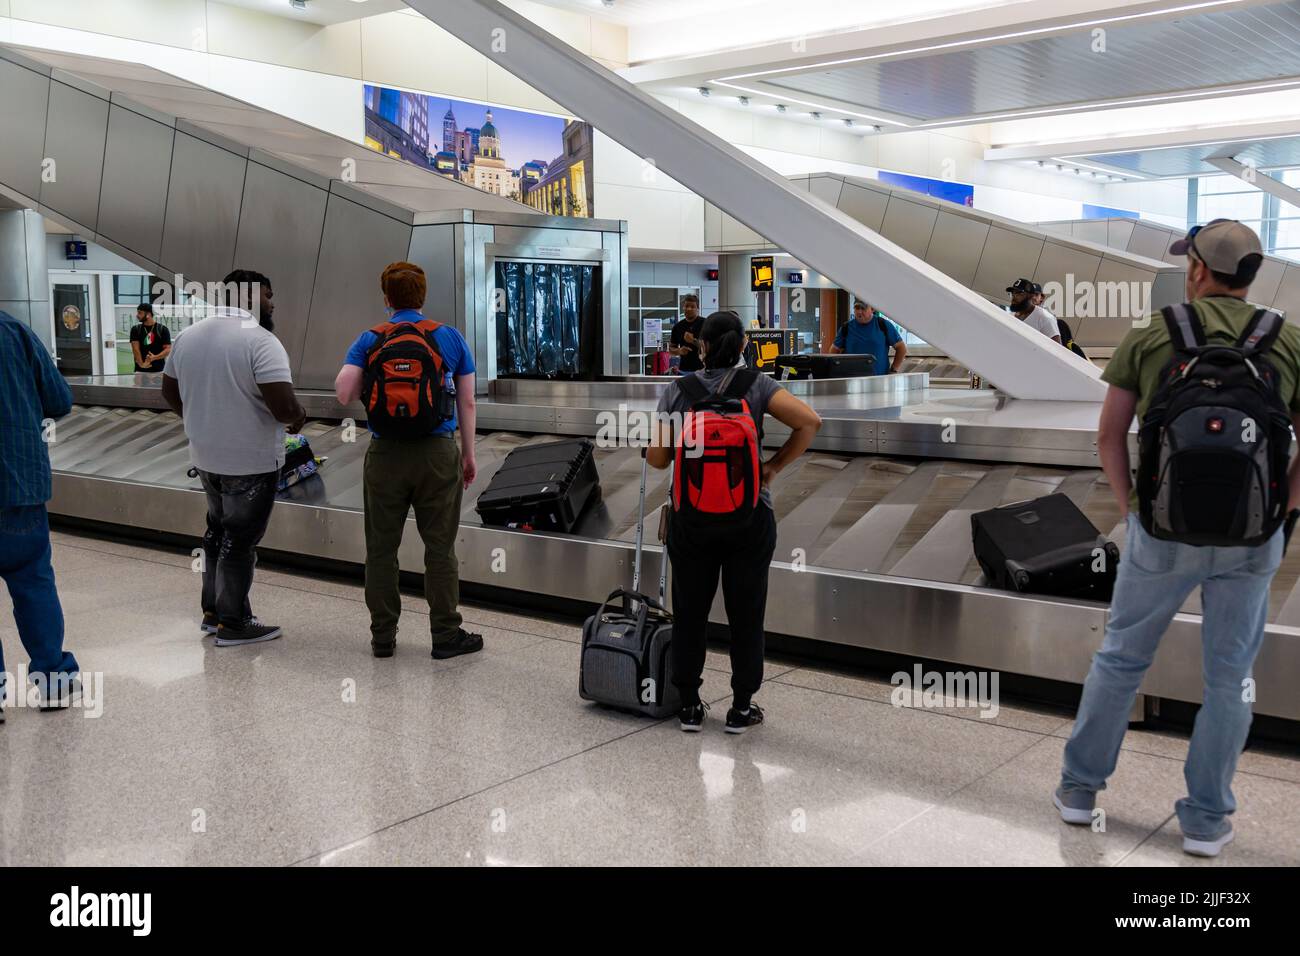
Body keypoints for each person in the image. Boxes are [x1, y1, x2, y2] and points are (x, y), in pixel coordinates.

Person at [1055, 219, 1300, 858]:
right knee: (1230, 678)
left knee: (1121, 658)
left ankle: (1080, 792)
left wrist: (1135, 508)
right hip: (1252, 537)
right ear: (1252, 274)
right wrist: (1279, 511)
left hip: (1159, 531)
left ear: (1195, 268)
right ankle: (1206, 822)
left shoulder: (1153, 333)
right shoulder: (1288, 340)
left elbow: (1109, 437)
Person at [648, 310, 821, 733]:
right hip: (749, 518)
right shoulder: (757, 386)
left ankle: (689, 705)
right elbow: (810, 422)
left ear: (701, 346)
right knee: (747, 612)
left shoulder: (679, 391)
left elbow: (656, 460)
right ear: (743, 346)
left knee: (689, 611)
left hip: (691, 521)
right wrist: (773, 467)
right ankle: (742, 707)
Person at [334, 262, 483, 660]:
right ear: (423, 296)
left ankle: (383, 637)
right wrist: (468, 455)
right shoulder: (448, 337)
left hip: (385, 455)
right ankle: (445, 635)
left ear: (387, 299)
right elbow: (467, 401)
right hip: (437, 452)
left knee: (381, 549)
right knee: (440, 548)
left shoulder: (370, 338)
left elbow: (344, 393)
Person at [161, 269, 305, 647]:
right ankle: (234, 621)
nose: (273, 303)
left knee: (217, 531)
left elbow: (170, 392)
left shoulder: (188, 336)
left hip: (206, 456)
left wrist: (203, 420)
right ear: (251, 296)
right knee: (240, 539)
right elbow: (283, 405)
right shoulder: (261, 341)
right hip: (251, 460)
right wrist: (298, 416)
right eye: (269, 295)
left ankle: (212, 612)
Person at [0, 310, 81, 719]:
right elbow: (59, 400)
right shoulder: (13, 330)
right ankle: (53, 682)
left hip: (20, 483)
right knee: (33, 584)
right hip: (20, 484)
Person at [828, 299, 907, 373]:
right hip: (852, 379)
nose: (859, 312)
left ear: (872, 309)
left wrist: (894, 369)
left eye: (863, 308)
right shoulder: (847, 328)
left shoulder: (883, 325)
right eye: (857, 308)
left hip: (879, 379)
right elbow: (834, 350)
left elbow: (901, 348)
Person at [1007, 278, 1061, 344]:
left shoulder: (1045, 318)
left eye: (1019, 294)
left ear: (1030, 296)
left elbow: (1057, 349)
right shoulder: (1012, 314)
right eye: (1012, 293)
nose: (1014, 297)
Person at [129, 303, 171, 373]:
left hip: (159, 370)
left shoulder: (162, 329)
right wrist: (142, 364)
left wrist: (154, 357)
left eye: (140, 313)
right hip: (140, 371)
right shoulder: (136, 329)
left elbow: (168, 349)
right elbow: (135, 349)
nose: (137, 315)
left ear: (148, 314)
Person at [667, 293, 704, 374]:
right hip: (684, 370)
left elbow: (712, 348)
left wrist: (693, 341)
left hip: (702, 369)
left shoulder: (705, 323)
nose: (689, 309)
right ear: (683, 308)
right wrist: (680, 351)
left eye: (692, 307)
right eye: (686, 306)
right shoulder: (677, 327)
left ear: (698, 308)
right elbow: (671, 349)